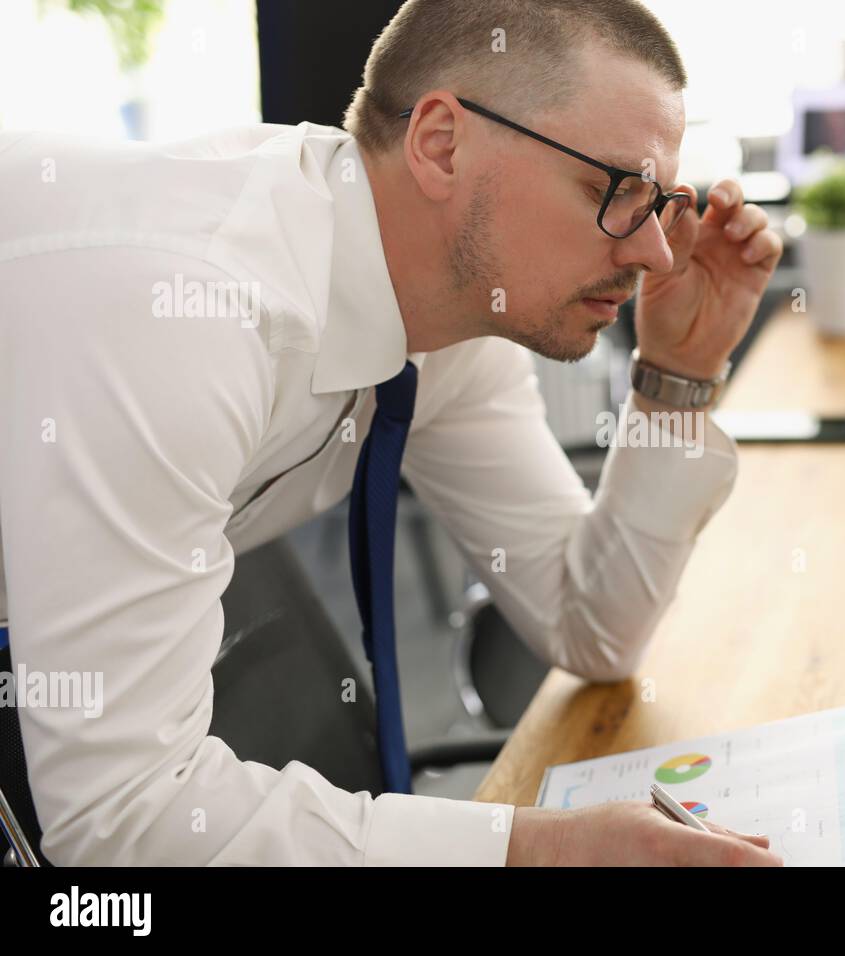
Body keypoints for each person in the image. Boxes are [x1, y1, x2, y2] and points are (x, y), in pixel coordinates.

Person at [0, 0, 783, 865]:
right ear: (442, 143)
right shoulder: (188, 308)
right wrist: (542, 853)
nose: (657, 258)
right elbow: (125, 821)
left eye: (663, 202)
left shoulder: (451, 330)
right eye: (615, 190)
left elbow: (587, 623)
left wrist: (677, 380)